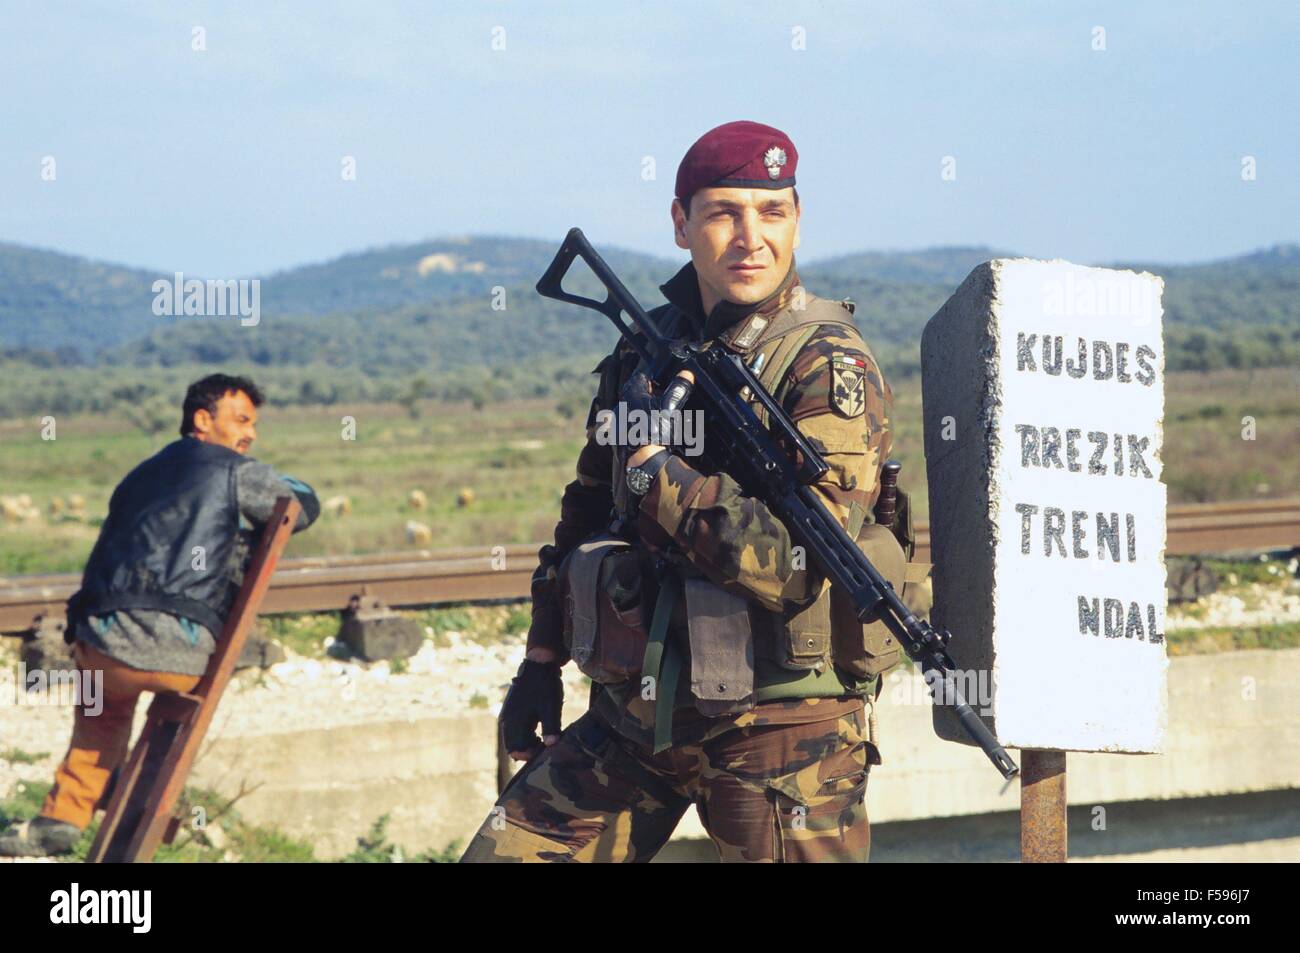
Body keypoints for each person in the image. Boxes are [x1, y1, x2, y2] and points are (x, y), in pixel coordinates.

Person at [461, 120, 908, 863]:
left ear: (797, 220)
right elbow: (585, 509)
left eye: (772, 213)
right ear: (681, 224)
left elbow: (795, 564)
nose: (750, 238)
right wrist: (540, 660)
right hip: (639, 717)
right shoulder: (647, 346)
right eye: (723, 212)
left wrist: (658, 474)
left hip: (784, 732)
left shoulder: (827, 364)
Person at [0, 373, 320, 857]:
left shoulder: (138, 473)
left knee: (99, 713)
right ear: (202, 419)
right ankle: (136, 814)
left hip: (103, 651)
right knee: (118, 699)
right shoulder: (238, 471)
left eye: (253, 424)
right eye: (241, 421)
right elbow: (302, 505)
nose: (250, 434)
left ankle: (63, 816)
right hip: (181, 659)